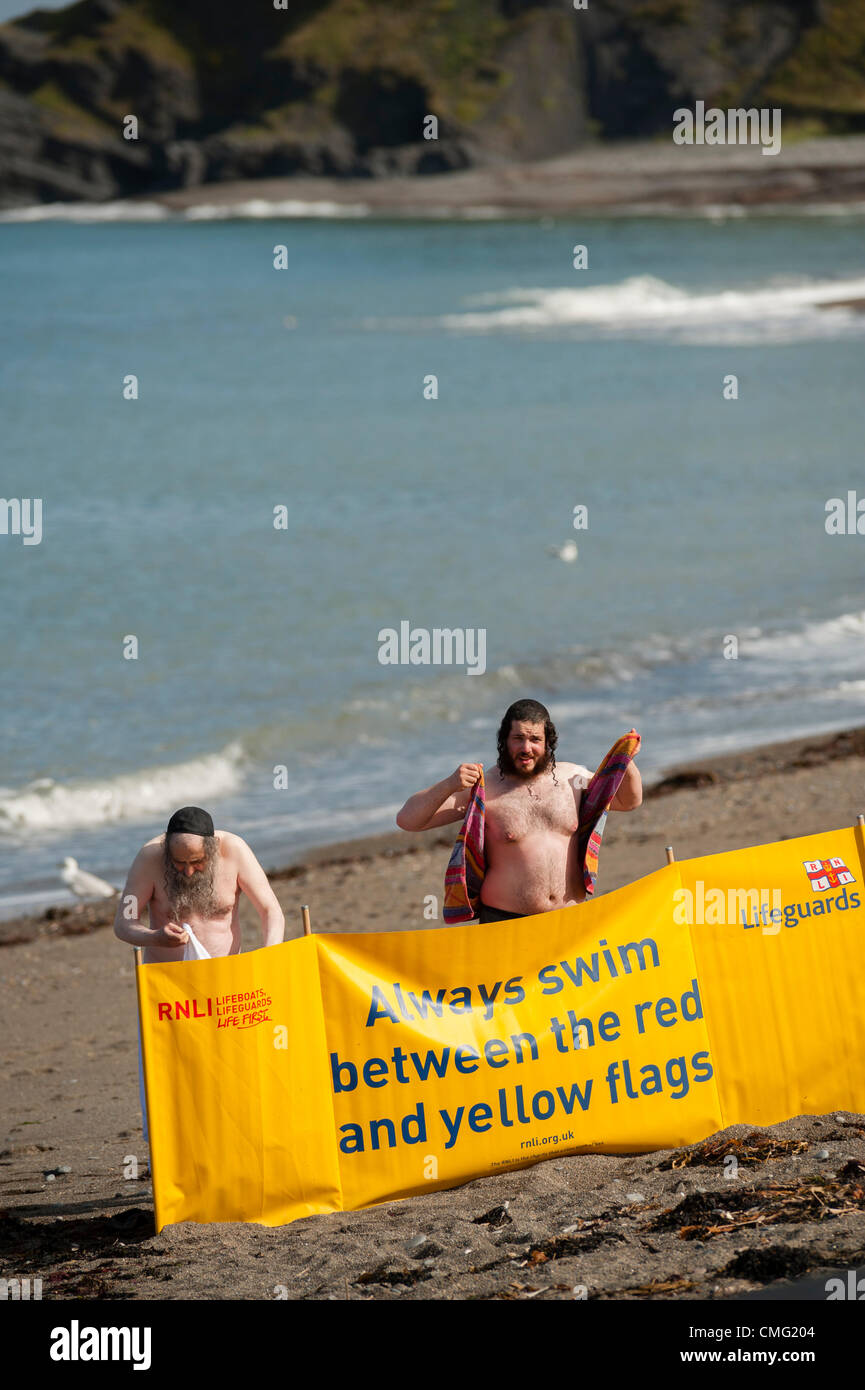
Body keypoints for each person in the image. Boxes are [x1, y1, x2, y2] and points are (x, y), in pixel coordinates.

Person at [396, 699, 642, 921]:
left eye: (535, 739)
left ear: (548, 743)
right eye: (518, 738)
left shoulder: (573, 778)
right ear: (504, 740)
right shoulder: (483, 788)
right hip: (506, 923)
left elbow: (628, 801)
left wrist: (624, 760)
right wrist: (449, 784)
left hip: (570, 919)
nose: (526, 748)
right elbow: (408, 820)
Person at [113, 805, 285, 961]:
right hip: (167, 978)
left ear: (214, 847)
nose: (188, 871)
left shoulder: (235, 851)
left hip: (226, 973)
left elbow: (270, 910)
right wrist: (155, 937)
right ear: (166, 848)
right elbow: (124, 923)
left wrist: (270, 955)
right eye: (179, 862)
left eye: (197, 862)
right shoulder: (149, 858)